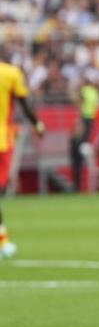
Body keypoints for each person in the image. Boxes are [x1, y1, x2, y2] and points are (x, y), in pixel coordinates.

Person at [0, 56, 45, 258]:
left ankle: (3, 240)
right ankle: (3, 241)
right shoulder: (10, 73)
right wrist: (37, 124)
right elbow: (24, 103)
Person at [71, 76, 99, 192]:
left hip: (83, 120)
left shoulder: (84, 91)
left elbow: (79, 104)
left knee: (76, 152)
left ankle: (77, 184)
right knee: (83, 149)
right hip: (91, 121)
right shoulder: (96, 93)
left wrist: (78, 121)